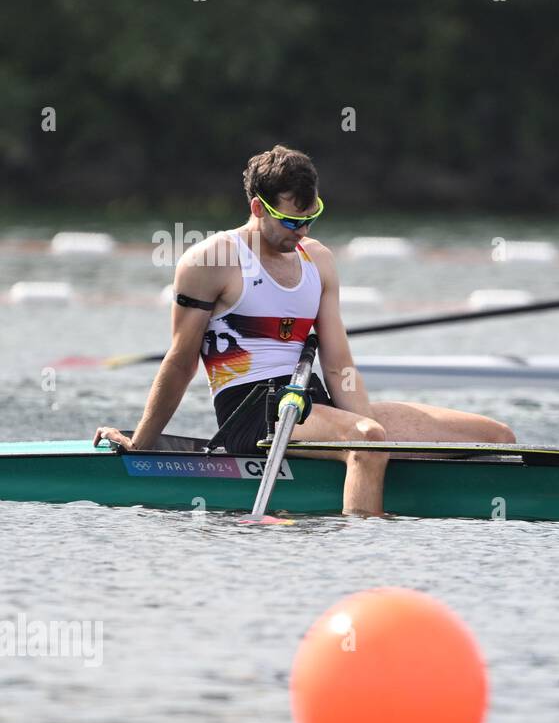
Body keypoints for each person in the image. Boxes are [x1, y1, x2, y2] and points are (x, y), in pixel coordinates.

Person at [93, 145, 513, 515]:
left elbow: (338, 362)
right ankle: (365, 549)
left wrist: (364, 427)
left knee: (494, 436)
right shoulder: (211, 260)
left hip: (309, 399)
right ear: (258, 208)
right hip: (251, 414)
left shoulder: (319, 260)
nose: (303, 232)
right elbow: (181, 362)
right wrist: (141, 445)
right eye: (292, 222)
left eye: (311, 219)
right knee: (367, 440)